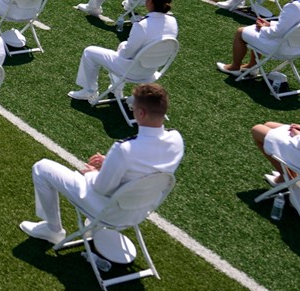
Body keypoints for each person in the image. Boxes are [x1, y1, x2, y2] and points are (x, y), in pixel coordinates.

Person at [21, 83, 184, 244]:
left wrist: (92, 172)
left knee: (42, 168)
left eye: (133, 107)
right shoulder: (176, 140)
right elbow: (146, 169)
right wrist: (110, 163)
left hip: (109, 212)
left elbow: (101, 188)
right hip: (141, 212)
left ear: (140, 113)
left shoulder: (125, 149)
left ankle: (52, 229)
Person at [67, 0, 178, 101]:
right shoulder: (173, 22)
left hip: (131, 71)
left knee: (89, 52)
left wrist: (122, 49)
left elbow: (126, 54)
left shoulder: (142, 25)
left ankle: (89, 91)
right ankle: (117, 89)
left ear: (150, 2)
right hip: (151, 71)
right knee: (123, 44)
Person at [216, 0, 300, 75]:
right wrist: (269, 24)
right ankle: (252, 66)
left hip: (282, 49)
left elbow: (276, 32)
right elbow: (294, 25)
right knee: (256, 28)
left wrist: (263, 28)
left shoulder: (293, 6)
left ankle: (234, 67)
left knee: (241, 31)